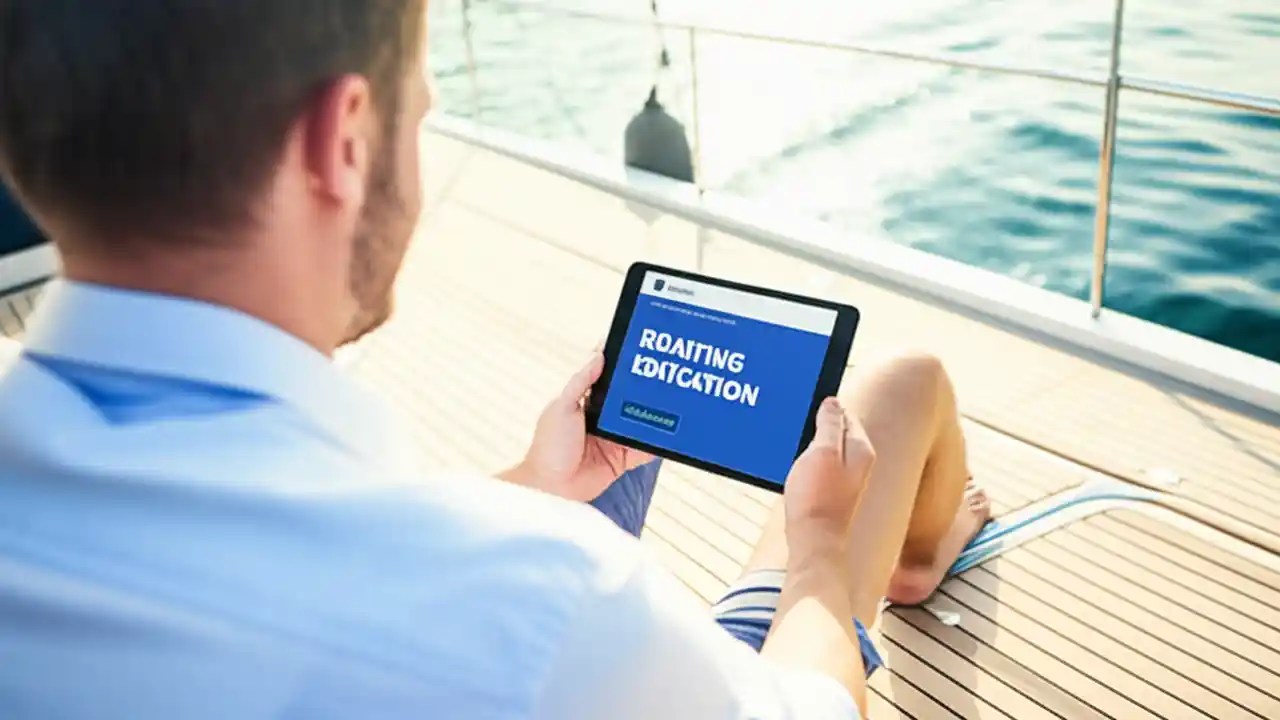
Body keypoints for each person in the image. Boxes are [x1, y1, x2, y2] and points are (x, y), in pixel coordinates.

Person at [0, 2, 989, 718]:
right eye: (417, 117)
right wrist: (818, 541)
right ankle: (901, 556)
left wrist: (524, 485)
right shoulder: (536, 604)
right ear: (343, 140)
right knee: (902, 385)